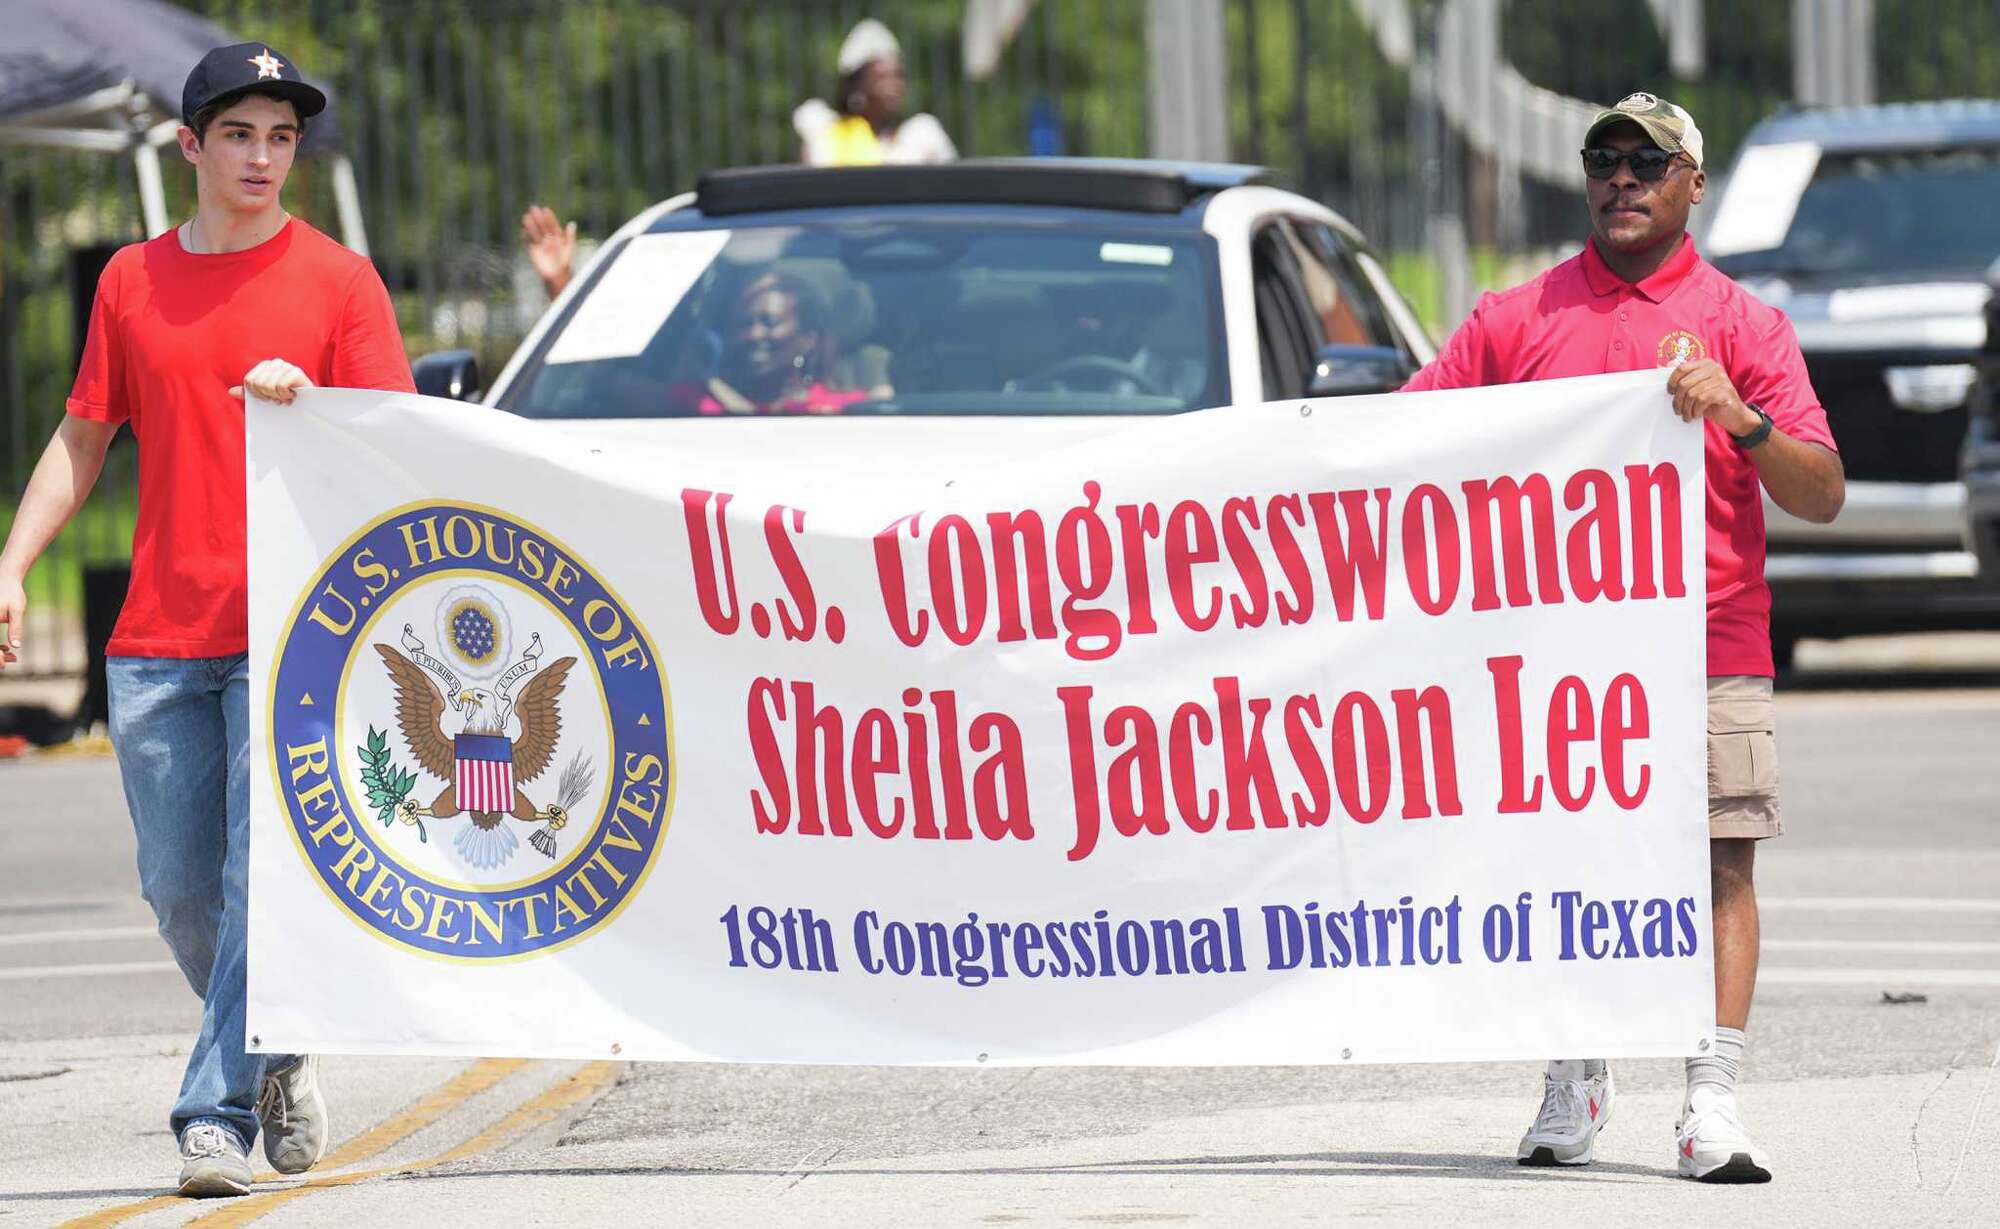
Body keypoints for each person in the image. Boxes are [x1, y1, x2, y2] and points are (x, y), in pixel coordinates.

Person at [1401, 92, 1845, 1183]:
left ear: (1693, 185)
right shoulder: (1516, 315)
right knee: (1560, 863)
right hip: (1555, 653)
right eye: (1603, 157)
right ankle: (1575, 1068)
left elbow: (1822, 491)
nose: (1621, 177)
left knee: (1717, 862)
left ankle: (1709, 1097)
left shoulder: (1743, 323)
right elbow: (1397, 439)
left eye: (1648, 161)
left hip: (1709, 637)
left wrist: (1739, 414)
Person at [0, 44, 414, 1197]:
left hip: (298, 634)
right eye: (239, 134)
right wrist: (12, 560)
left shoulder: (340, 283)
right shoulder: (131, 280)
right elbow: (84, 435)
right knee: (180, 886)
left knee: (254, 882)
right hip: (155, 636)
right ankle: (278, 1048)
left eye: (282, 137)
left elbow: (401, 450)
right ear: (190, 146)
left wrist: (315, 405)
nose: (263, 157)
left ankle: (212, 1110)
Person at [669, 272, 869, 415]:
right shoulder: (696, 403)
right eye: (744, 324)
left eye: (769, 322)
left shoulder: (845, 410)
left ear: (808, 340)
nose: (753, 334)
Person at [793, 18, 957, 168]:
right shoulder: (828, 136)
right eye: (882, 78)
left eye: (898, 76)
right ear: (856, 86)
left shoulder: (921, 137)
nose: (894, 86)